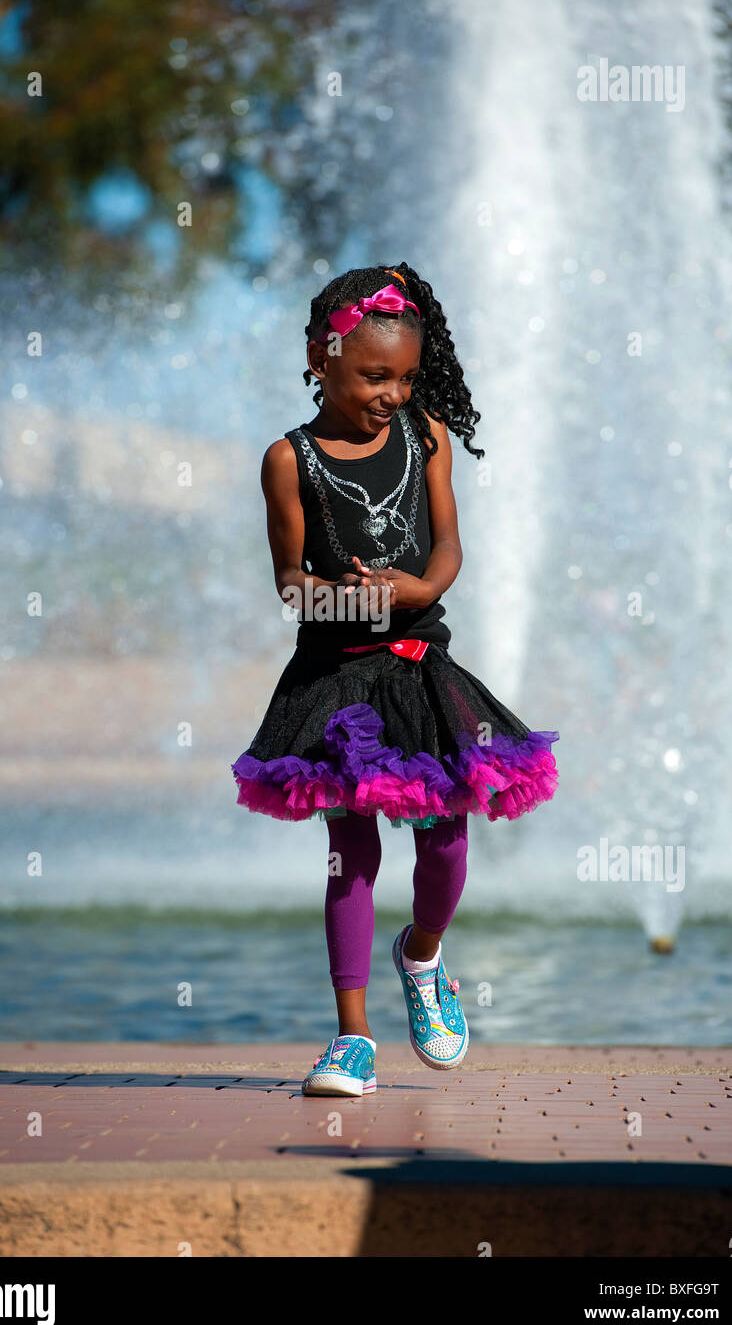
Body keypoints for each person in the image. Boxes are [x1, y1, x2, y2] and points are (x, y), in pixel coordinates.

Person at [231, 262, 559, 1098]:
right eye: (374, 375)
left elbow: (447, 545)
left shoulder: (427, 436)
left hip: (419, 670)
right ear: (321, 356)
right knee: (349, 851)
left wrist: (422, 588)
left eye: (405, 376)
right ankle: (350, 1039)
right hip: (334, 681)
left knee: (446, 839)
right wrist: (340, 596)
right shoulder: (286, 460)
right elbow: (289, 583)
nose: (391, 392)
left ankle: (421, 955)